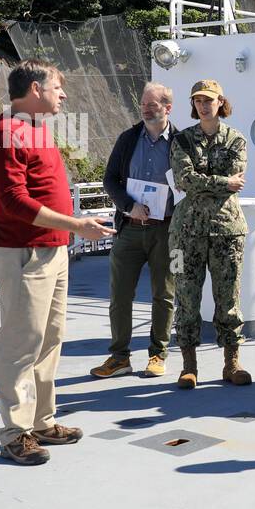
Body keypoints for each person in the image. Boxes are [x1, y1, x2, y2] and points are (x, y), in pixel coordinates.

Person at [0, 59, 113, 465]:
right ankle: (15, 432)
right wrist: (77, 225)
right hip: (24, 252)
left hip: (51, 250)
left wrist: (67, 233)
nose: (64, 94)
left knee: (50, 338)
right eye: (57, 87)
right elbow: (15, 202)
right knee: (21, 342)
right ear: (35, 90)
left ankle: (41, 421)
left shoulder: (35, 131)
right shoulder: (3, 134)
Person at [91, 82, 179, 379]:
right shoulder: (128, 139)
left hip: (165, 231)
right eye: (143, 103)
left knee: (164, 294)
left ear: (167, 108)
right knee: (120, 295)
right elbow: (110, 179)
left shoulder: (181, 142)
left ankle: (158, 354)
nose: (145, 108)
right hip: (130, 228)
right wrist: (129, 205)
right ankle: (119, 357)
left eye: (152, 105)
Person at [169, 79, 251, 389]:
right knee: (185, 299)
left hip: (227, 232)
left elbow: (238, 179)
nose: (204, 105)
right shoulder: (182, 141)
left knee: (229, 299)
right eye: (198, 100)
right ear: (193, 105)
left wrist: (204, 181)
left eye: (209, 100)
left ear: (220, 103)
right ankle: (189, 366)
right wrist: (222, 183)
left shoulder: (237, 140)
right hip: (184, 234)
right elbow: (183, 178)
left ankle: (232, 363)